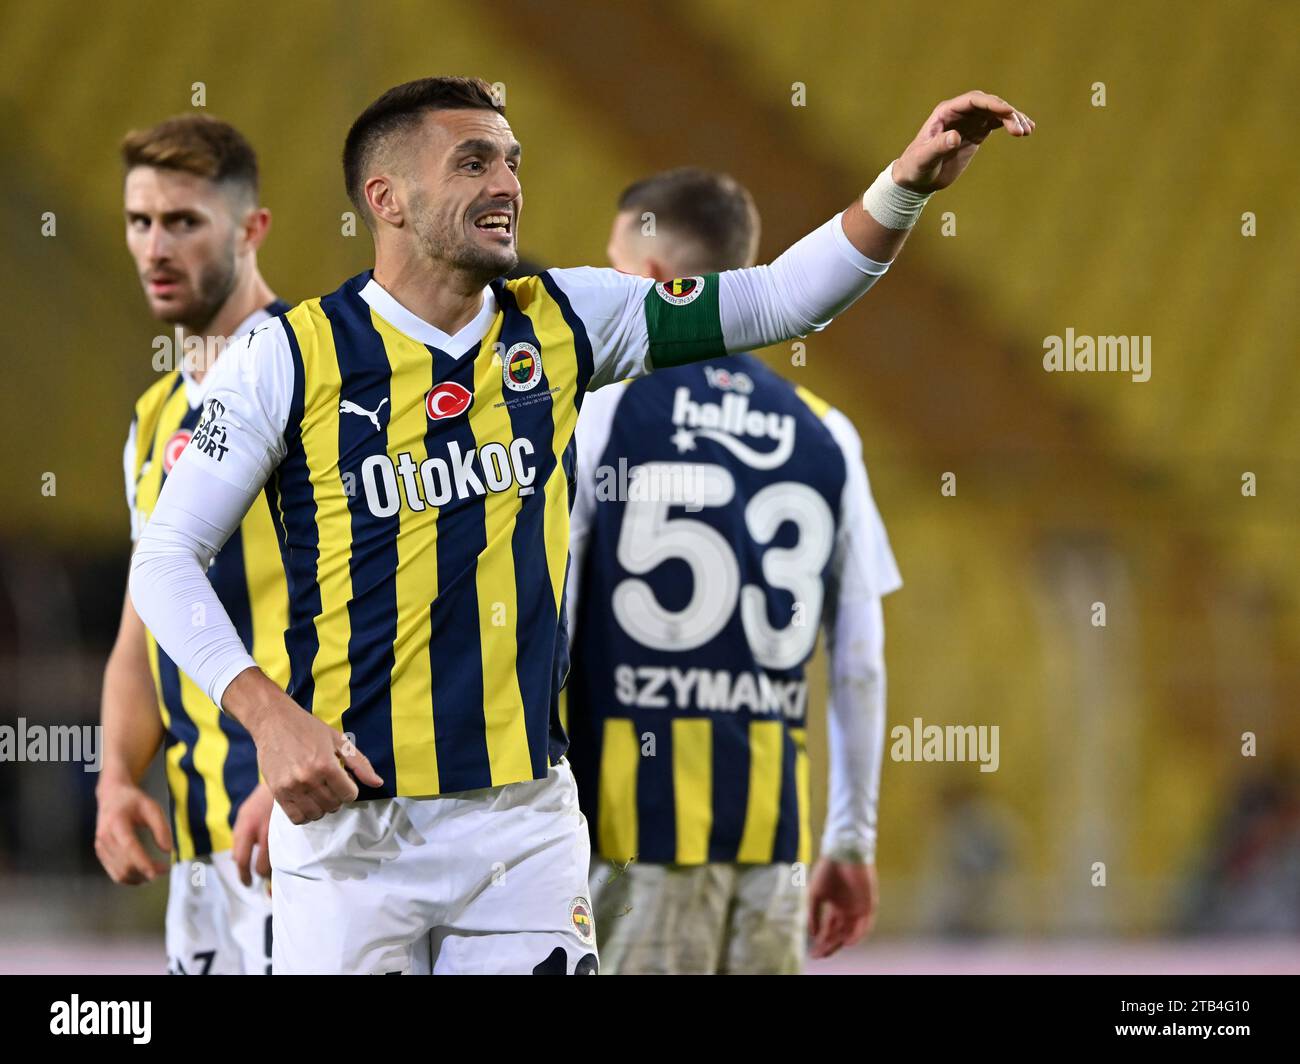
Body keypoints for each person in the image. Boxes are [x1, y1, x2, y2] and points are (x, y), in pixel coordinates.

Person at [128, 76, 1033, 974]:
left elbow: (782, 299)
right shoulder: (288, 356)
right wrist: (269, 719)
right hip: (351, 829)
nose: (507, 185)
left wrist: (906, 184)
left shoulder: (564, 317)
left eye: (512, 163)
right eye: (473, 162)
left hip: (523, 829)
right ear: (387, 198)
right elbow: (167, 558)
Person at [564, 167, 901, 973]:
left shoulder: (601, 412)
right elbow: (858, 661)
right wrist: (849, 840)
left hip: (624, 834)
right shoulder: (828, 434)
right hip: (771, 842)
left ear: (648, 279)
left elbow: (554, 624)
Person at [95, 115, 290, 974]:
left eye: (184, 222)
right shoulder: (151, 420)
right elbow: (143, 625)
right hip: (204, 847)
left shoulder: (315, 382)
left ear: (252, 229)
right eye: (140, 222)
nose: (155, 247)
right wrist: (114, 778)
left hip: (313, 830)